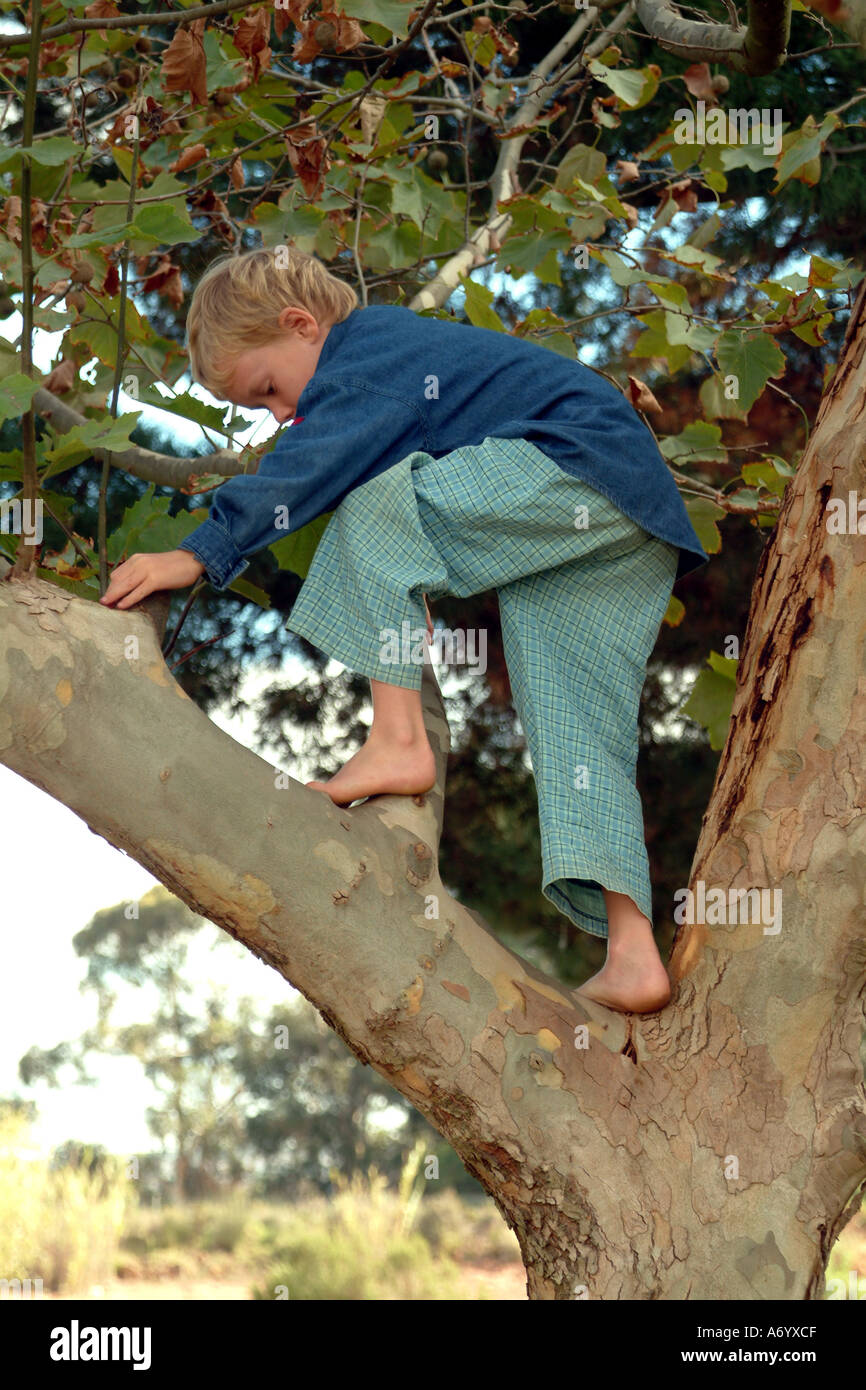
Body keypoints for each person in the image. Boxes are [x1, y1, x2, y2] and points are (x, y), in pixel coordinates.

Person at [99, 246, 709, 1014]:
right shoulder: (385, 362)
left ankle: (397, 741)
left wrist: (198, 551)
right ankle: (633, 950)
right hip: (630, 511)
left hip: (575, 464)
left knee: (371, 505)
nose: (281, 415)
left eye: (269, 390)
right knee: (574, 722)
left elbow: (310, 466)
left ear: (301, 325)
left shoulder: (368, 352)